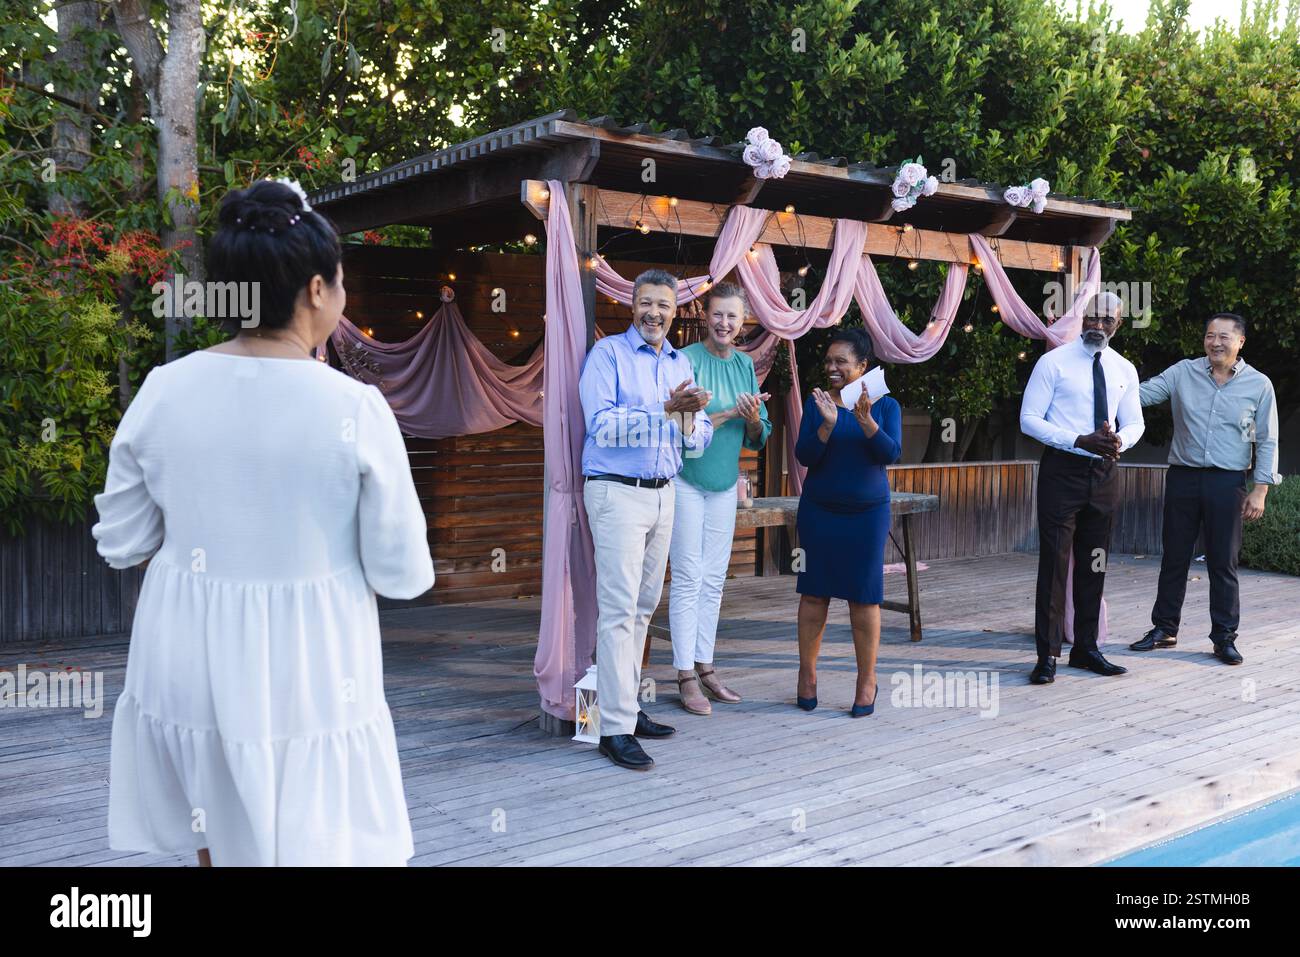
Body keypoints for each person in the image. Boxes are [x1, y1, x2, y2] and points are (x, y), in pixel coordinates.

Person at [91, 179, 434, 866]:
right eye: (341, 281)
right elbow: (400, 573)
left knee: (212, 835)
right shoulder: (355, 408)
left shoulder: (164, 390)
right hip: (312, 666)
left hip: (187, 653)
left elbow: (123, 540)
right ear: (315, 289)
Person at [578, 268, 714, 770]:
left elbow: (696, 439)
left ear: (675, 311)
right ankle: (611, 728)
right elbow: (601, 427)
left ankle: (628, 710)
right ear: (631, 305)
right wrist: (665, 409)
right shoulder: (607, 355)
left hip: (664, 493)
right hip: (617, 494)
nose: (654, 313)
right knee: (617, 611)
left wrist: (688, 414)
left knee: (641, 609)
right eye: (646, 303)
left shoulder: (680, 363)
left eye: (664, 305)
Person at [1131, 312, 1281, 664]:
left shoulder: (1259, 385)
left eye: (1224, 336)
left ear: (1240, 342)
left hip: (1227, 482)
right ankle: (1164, 629)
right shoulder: (1183, 372)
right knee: (1174, 557)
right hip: (1183, 476)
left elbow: (1268, 440)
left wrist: (1261, 489)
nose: (1215, 342)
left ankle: (1224, 637)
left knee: (1223, 562)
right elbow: (1140, 395)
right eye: (1210, 335)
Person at [1020, 291, 1144, 685]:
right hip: (1063, 471)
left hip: (1105, 474)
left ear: (1118, 325)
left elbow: (1136, 422)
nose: (1098, 325)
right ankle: (1048, 654)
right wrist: (1078, 440)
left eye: (1107, 319)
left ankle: (1087, 648)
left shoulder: (1124, 369)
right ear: (1082, 317)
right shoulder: (1052, 362)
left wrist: (1118, 442)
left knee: (1095, 560)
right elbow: (1029, 420)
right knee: (1054, 564)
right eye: (1092, 317)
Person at [669, 283, 771, 715]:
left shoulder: (746, 364)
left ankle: (706, 666)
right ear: (704, 315)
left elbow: (760, 435)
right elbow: (676, 421)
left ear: (743, 320)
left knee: (714, 579)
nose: (725, 323)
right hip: (687, 480)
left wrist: (750, 419)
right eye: (718, 315)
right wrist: (728, 412)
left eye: (733, 316)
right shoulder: (686, 359)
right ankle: (684, 675)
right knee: (689, 577)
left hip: (725, 484)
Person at [793, 327, 901, 717]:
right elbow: (805, 456)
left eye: (841, 361)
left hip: (867, 515)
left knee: (863, 596)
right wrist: (825, 423)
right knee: (814, 593)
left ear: (862, 366)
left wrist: (867, 421)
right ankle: (807, 676)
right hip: (819, 511)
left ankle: (866, 680)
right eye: (828, 361)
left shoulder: (886, 405)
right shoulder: (817, 401)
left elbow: (890, 453)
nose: (832, 367)